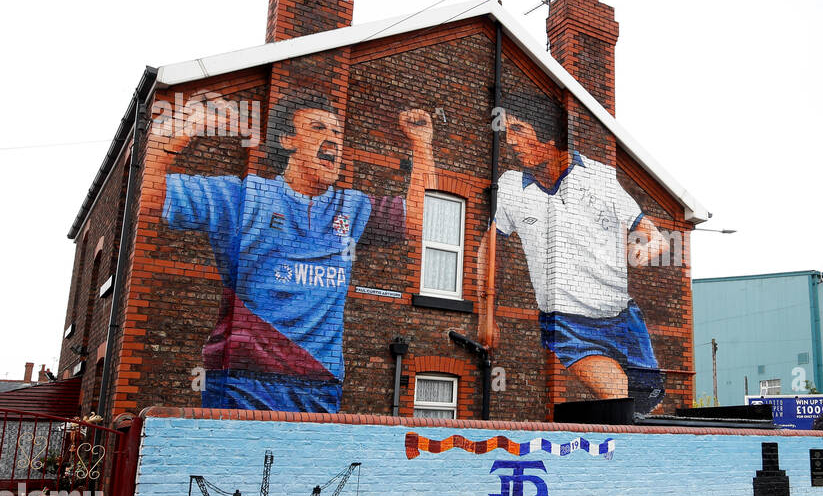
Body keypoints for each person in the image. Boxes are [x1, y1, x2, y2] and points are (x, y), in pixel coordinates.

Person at [159, 90, 430, 412]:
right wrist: (170, 141)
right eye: (318, 128)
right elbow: (151, 199)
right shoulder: (245, 195)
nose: (332, 139)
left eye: (336, 133)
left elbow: (418, 221)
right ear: (287, 139)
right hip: (243, 378)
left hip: (320, 380)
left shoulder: (353, 206)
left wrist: (421, 145)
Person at [476, 113, 669, 414]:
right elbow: (490, 246)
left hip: (624, 320)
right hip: (568, 326)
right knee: (620, 398)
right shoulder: (511, 187)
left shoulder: (601, 177)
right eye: (508, 131)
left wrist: (646, 249)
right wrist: (486, 313)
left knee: (648, 405)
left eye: (519, 129)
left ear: (550, 138)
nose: (510, 140)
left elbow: (655, 236)